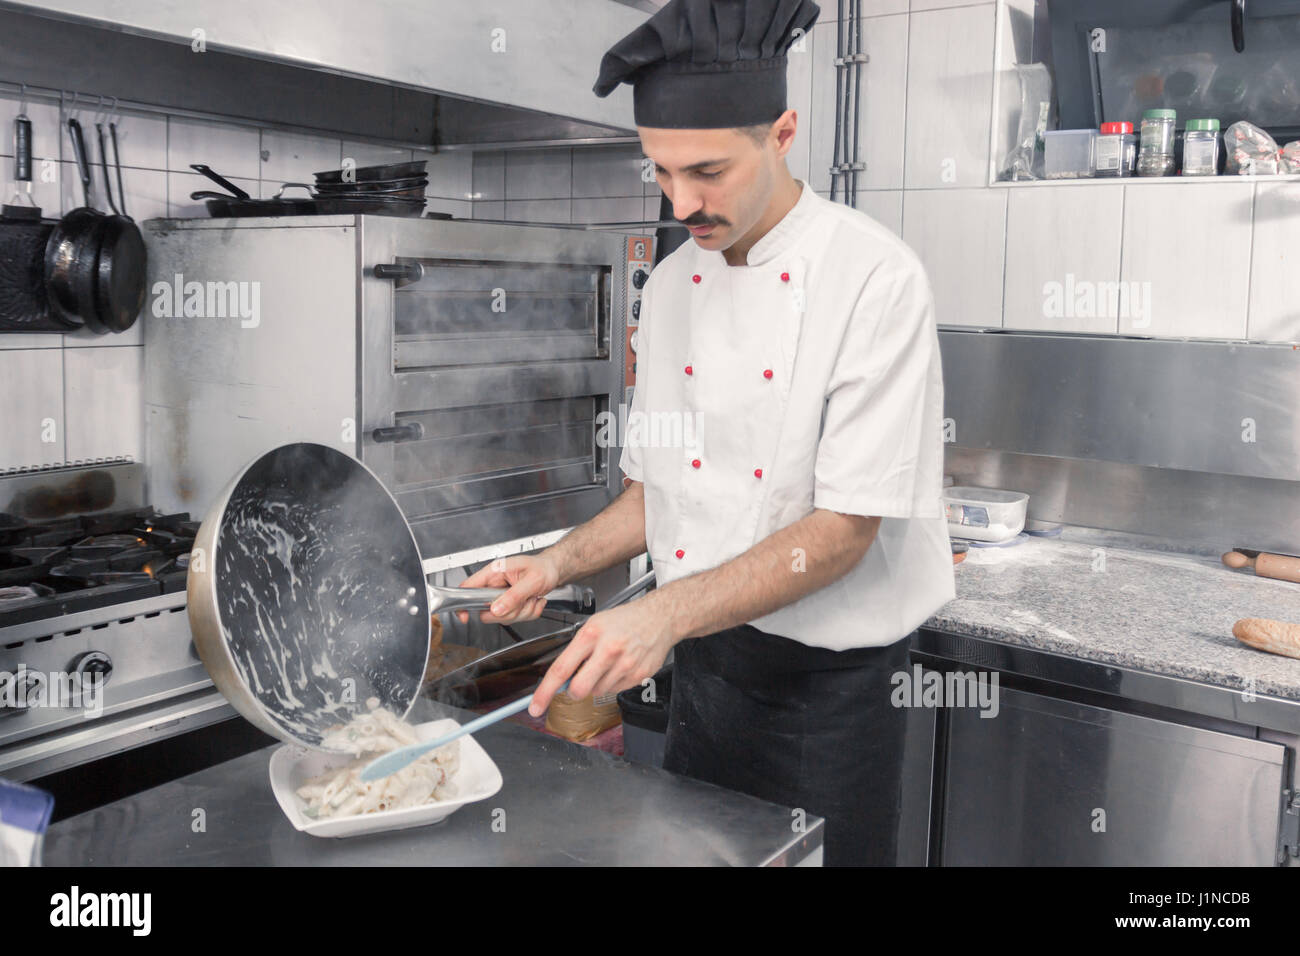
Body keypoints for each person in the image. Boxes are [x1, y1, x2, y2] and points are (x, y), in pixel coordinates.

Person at [458, 0, 955, 866]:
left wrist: (661, 615)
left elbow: (844, 533)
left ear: (784, 133)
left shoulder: (875, 279)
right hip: (705, 672)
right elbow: (658, 496)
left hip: (826, 698)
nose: (682, 201)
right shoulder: (674, 285)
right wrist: (557, 564)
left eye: (708, 171)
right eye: (660, 172)